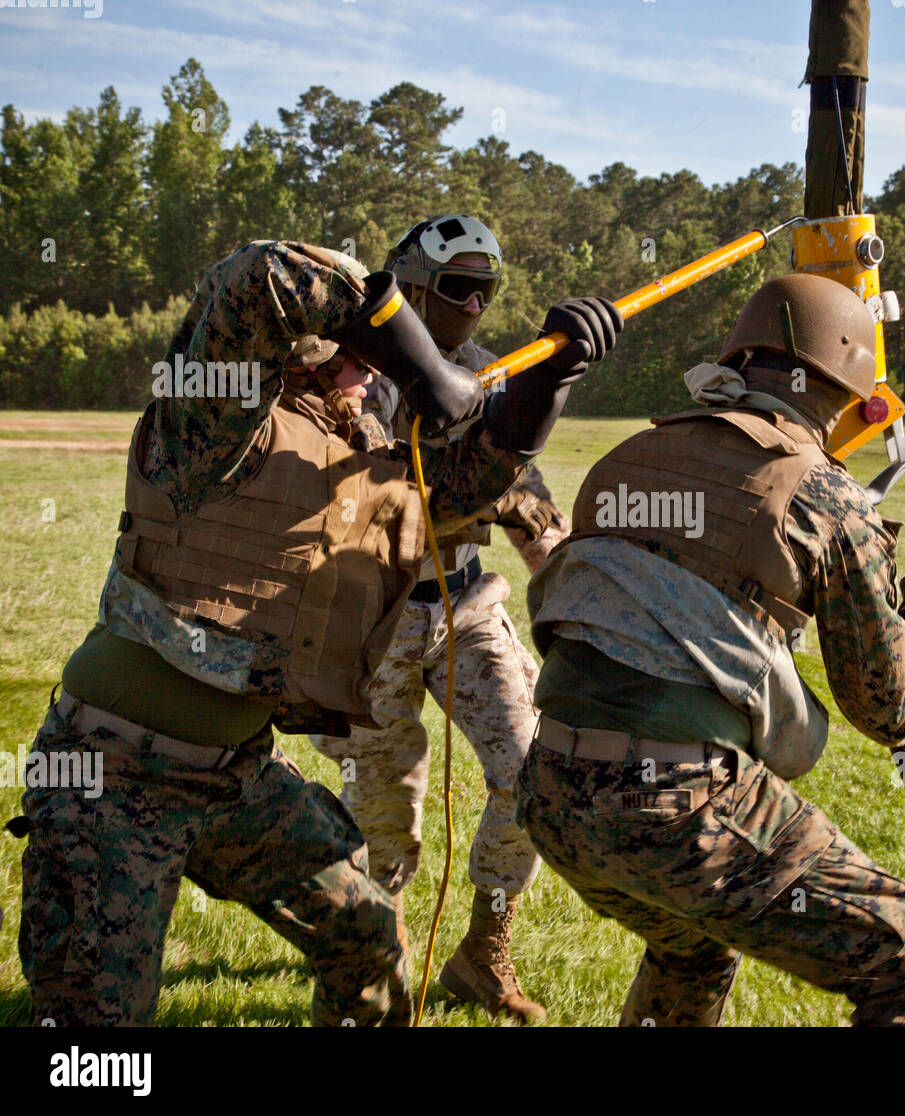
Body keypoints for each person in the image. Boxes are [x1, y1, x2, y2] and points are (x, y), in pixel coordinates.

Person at [14, 238, 604, 1027]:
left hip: (236, 778)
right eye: (364, 367)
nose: (374, 385)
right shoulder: (213, 426)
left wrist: (551, 379)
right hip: (114, 777)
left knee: (369, 940)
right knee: (98, 1036)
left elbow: (474, 479)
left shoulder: (351, 457)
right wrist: (428, 370)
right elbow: (260, 273)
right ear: (306, 361)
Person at [515, 272, 905, 1026]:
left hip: (552, 796)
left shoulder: (630, 458)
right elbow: (889, 707)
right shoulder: (826, 495)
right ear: (854, 384)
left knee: (693, 946)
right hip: (673, 809)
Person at [308, 215, 605, 1023]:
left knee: (535, 775)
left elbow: (534, 515)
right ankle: (381, 959)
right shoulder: (348, 372)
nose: (474, 305)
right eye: (457, 287)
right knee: (383, 820)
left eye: (487, 289)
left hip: (465, 605)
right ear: (407, 282)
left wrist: (570, 569)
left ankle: (483, 953)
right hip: (368, 620)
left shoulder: (495, 377)